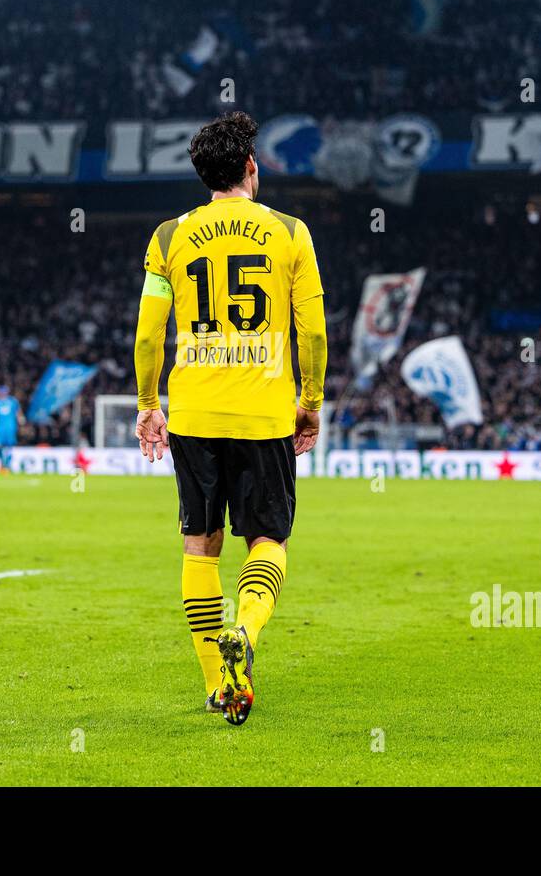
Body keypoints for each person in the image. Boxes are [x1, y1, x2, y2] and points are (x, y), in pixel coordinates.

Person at [133, 111, 327, 726]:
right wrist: (311, 403)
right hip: (266, 414)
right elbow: (314, 332)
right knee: (267, 538)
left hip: (193, 411)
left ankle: (219, 684)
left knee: (200, 545)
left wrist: (147, 405)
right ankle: (245, 629)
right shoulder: (291, 232)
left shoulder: (169, 236)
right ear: (250, 167)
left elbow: (147, 335)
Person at [0, 386, 24, 473]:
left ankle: (7, 464)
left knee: (9, 446)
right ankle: (2, 462)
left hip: (10, 427)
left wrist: (20, 418)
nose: (3, 394)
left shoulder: (13, 401)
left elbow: (18, 411)